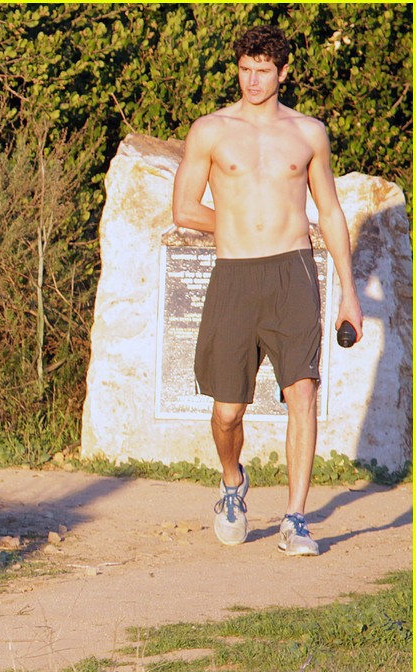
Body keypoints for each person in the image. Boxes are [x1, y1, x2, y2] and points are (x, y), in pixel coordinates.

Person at [171, 24, 363, 557]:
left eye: (263, 70)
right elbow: (184, 208)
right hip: (234, 275)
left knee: (302, 393)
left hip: (293, 273)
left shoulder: (308, 133)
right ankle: (233, 483)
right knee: (227, 411)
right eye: (245, 69)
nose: (252, 80)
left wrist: (349, 293)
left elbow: (328, 212)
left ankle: (296, 519)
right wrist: (231, 225)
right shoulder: (210, 130)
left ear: (284, 72)